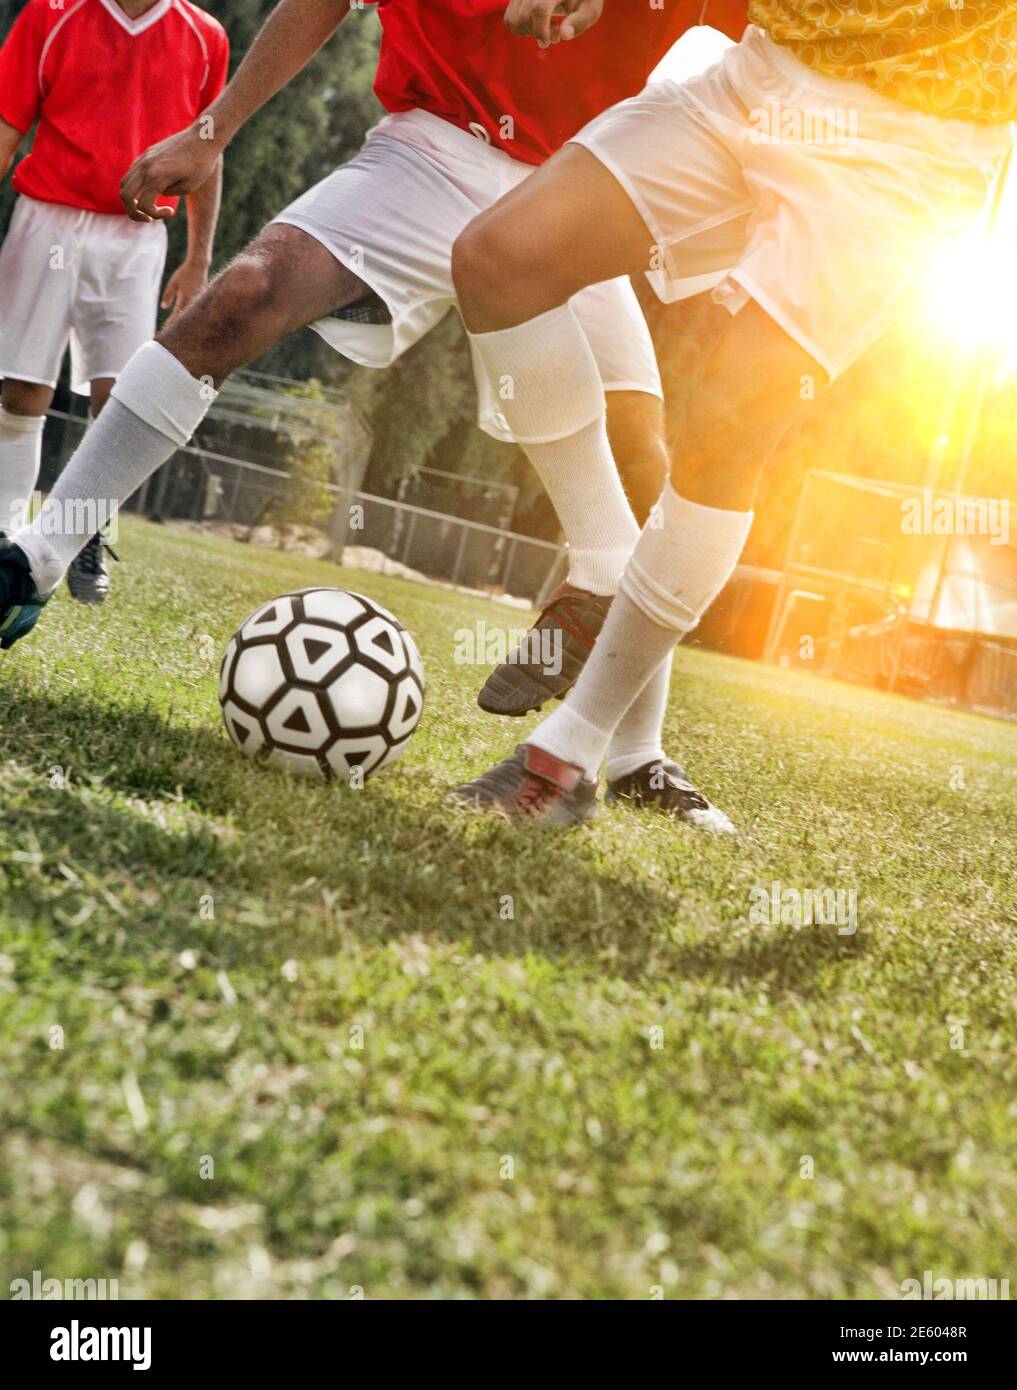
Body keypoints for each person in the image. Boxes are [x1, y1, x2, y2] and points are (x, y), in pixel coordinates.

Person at [0, 0, 748, 831]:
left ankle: (636, 756)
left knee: (638, 455)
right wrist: (212, 131)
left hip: (574, 182)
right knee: (243, 296)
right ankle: (38, 556)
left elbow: (778, 47)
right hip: (427, 150)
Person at [449, 2, 1017, 823]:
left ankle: (567, 754)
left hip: (915, 136)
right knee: (499, 258)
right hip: (759, 73)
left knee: (728, 416)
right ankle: (605, 564)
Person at [0, 0, 229, 602]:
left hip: (138, 236)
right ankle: (4, 537)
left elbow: (209, 148)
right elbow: (6, 124)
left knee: (121, 397)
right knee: (22, 389)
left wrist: (198, 259)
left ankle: (81, 534)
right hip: (47, 220)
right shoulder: (50, 15)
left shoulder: (205, 36)